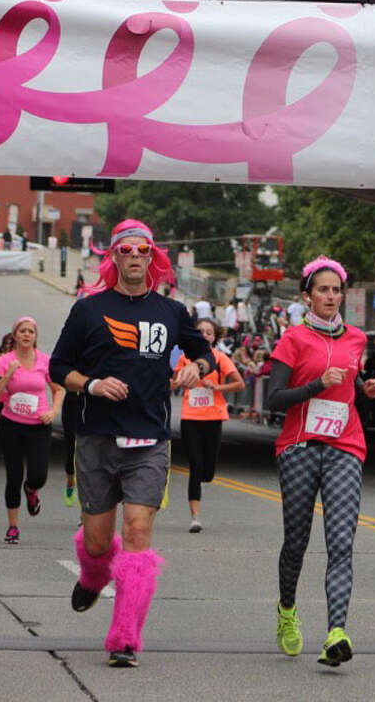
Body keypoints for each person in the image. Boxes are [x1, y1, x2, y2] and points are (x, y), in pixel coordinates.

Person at [50, 218, 215, 669]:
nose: (135, 257)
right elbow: (58, 367)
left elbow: (205, 353)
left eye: (143, 250)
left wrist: (194, 369)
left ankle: (124, 637)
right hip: (97, 439)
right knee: (101, 543)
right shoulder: (89, 309)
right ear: (115, 257)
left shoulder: (171, 312)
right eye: (126, 250)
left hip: (149, 441)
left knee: (138, 531)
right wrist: (92, 384)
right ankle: (91, 576)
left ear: (153, 257)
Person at [264, 255, 375, 667]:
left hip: (345, 447)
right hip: (299, 446)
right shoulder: (293, 340)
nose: (331, 296)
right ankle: (286, 610)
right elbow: (274, 399)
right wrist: (317, 384)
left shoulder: (356, 339)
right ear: (307, 296)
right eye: (323, 290)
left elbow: (354, 378)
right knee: (297, 541)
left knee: (341, 543)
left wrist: (368, 388)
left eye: (336, 290)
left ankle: (336, 632)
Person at [0, 317, 65, 544]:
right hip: (11, 425)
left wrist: (53, 411)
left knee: (38, 475)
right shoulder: (5, 362)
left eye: (31, 331)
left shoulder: (45, 361)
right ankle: (13, 527)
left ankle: (31, 490)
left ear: (35, 336)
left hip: (39, 426)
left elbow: (58, 389)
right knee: (13, 476)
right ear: (15, 335)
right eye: (22, 331)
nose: (27, 334)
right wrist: (9, 375)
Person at [173, 317, 244, 533]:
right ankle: (195, 517)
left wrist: (217, 388)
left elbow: (240, 384)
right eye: (200, 331)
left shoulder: (220, 358)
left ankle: (204, 477)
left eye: (208, 332)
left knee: (208, 472)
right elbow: (171, 382)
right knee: (195, 466)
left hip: (213, 418)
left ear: (214, 337)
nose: (204, 335)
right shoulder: (185, 359)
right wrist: (181, 381)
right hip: (190, 417)